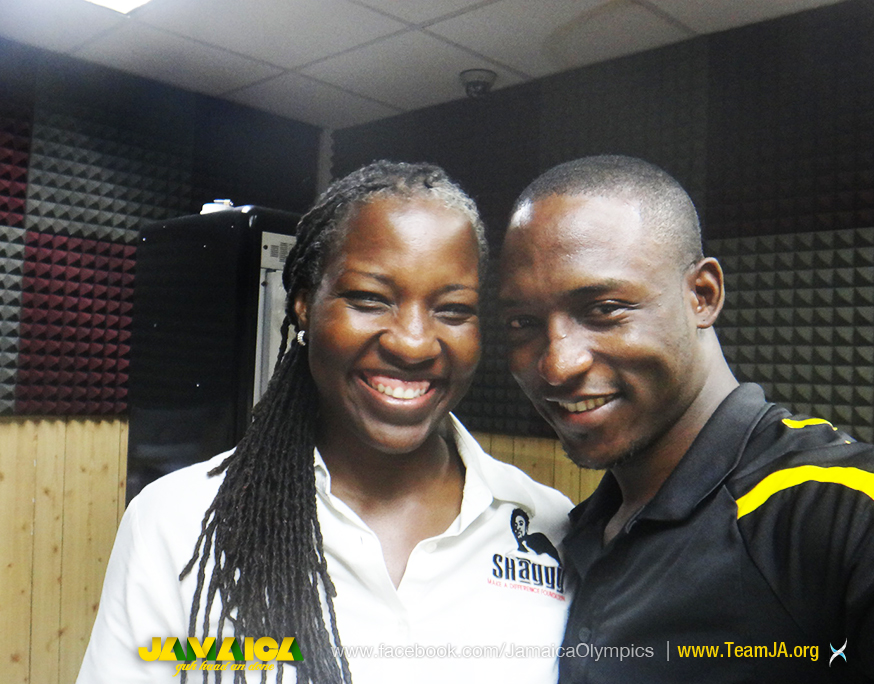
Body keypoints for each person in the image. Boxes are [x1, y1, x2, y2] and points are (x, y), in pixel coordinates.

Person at [497, 155, 874, 683]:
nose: (557, 364)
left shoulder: (844, 511)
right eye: (523, 322)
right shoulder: (579, 529)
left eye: (604, 309)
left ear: (703, 295)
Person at [77, 161, 572, 684]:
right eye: (369, 300)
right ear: (304, 306)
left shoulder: (552, 526)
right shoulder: (176, 523)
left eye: (452, 310)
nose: (413, 343)